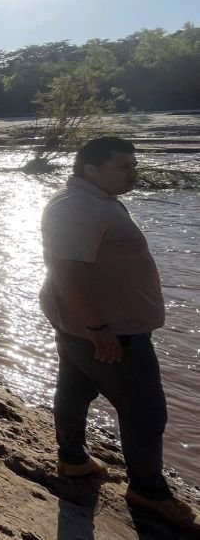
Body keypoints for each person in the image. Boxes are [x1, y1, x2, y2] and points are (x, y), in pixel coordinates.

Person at [40, 136, 199, 533]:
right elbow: (67, 270)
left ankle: (73, 459)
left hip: (84, 325)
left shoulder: (91, 200)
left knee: (75, 390)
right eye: (123, 167)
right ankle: (148, 490)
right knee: (145, 413)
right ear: (90, 169)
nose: (133, 173)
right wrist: (98, 329)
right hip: (107, 331)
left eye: (134, 165)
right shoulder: (78, 206)